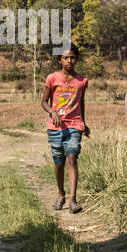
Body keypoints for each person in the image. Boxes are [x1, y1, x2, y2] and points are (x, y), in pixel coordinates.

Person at [41, 43, 89, 213]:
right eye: (66, 57)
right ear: (60, 60)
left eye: (73, 57)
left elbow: (81, 102)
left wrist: (84, 123)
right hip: (56, 127)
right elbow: (44, 102)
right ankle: (61, 194)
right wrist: (52, 111)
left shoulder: (82, 81)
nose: (69, 61)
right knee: (59, 162)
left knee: (72, 157)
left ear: (77, 59)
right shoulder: (52, 78)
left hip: (75, 124)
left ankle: (73, 200)